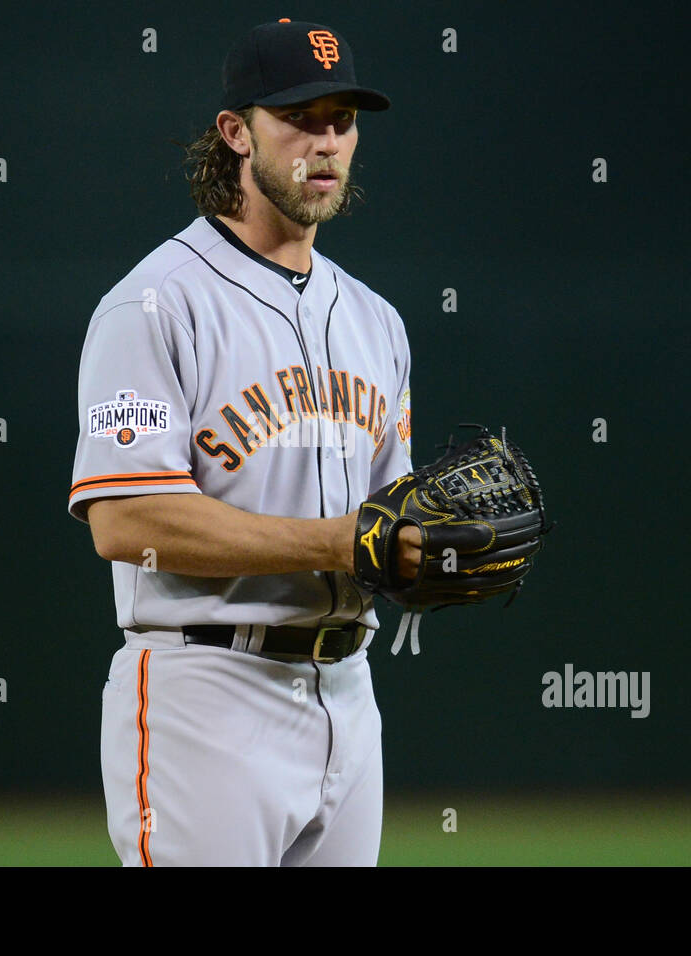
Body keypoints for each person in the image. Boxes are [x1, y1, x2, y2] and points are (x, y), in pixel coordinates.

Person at [68, 18, 418, 866]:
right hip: (207, 693)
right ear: (235, 133)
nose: (326, 141)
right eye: (300, 116)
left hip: (348, 693)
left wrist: (424, 557)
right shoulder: (155, 304)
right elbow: (125, 519)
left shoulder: (378, 321)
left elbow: (390, 520)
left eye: (343, 119)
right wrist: (338, 542)